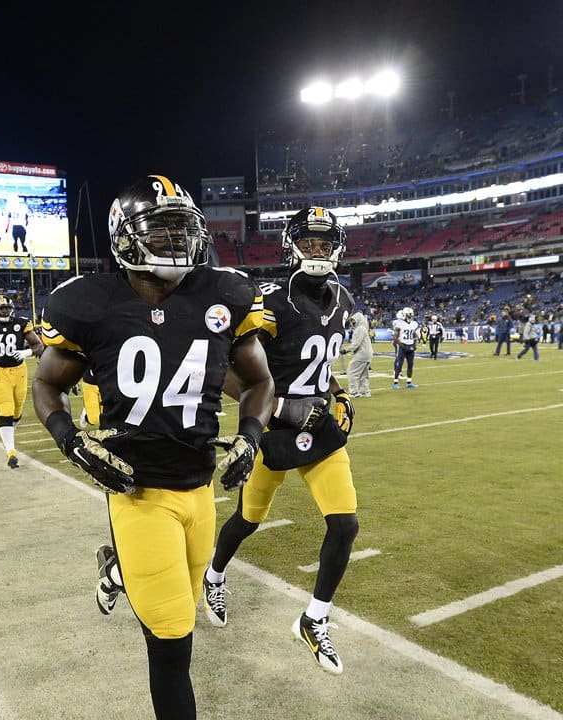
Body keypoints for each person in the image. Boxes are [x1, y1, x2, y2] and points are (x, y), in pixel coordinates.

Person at [33, 174, 274, 720]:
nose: (175, 243)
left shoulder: (223, 293)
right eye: (159, 231)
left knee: (181, 622)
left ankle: (113, 565)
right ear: (125, 237)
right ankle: (122, 557)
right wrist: (71, 442)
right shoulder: (89, 302)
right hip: (139, 493)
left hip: (200, 491)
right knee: (170, 644)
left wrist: (252, 435)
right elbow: (46, 384)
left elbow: (259, 382)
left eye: (180, 230)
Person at [202, 206, 358, 676]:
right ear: (291, 245)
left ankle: (313, 619)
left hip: (320, 431)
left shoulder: (344, 299)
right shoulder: (270, 300)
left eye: (324, 242)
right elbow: (229, 369)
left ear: (337, 246)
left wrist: (339, 392)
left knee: (345, 523)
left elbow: (319, 364)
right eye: (308, 242)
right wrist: (285, 407)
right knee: (248, 520)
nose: (317, 250)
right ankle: (214, 576)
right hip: (273, 431)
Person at [0, 295, 44, 468]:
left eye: (6, 308)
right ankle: (11, 452)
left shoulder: (22, 323)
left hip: (19, 371)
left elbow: (38, 345)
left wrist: (26, 353)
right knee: (6, 411)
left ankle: (10, 429)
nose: (4, 311)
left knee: (17, 410)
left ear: (11, 308)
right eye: (0, 309)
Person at [345, 311, 373, 397]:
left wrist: (346, 350)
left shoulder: (359, 329)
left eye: (353, 320)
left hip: (362, 353)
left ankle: (354, 392)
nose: (352, 322)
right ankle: (365, 391)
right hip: (368, 353)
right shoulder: (363, 328)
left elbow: (356, 343)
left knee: (351, 372)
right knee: (364, 374)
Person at [391, 307, 419, 388]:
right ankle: (395, 383)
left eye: (411, 314)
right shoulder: (400, 324)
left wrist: (414, 344)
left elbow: (414, 335)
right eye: (409, 314)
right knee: (399, 365)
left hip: (410, 346)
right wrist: (402, 346)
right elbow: (395, 337)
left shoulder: (414, 323)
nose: (410, 316)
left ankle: (409, 382)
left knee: (410, 365)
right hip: (403, 346)